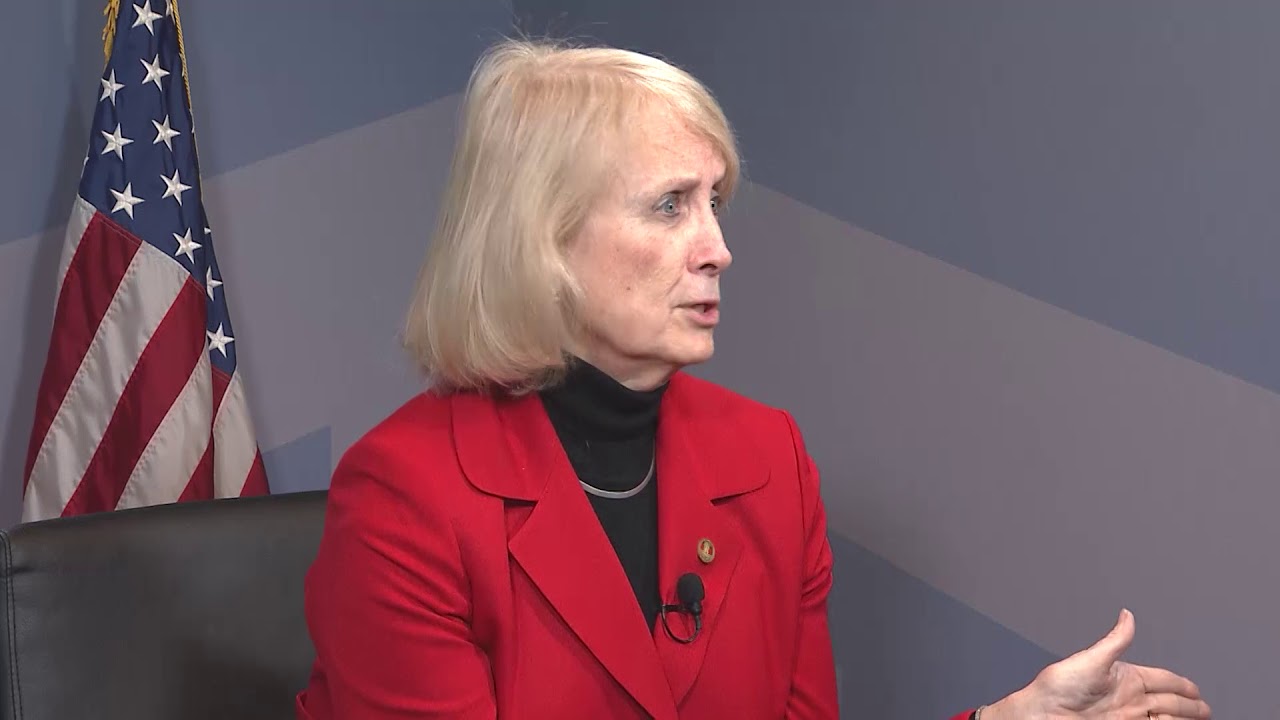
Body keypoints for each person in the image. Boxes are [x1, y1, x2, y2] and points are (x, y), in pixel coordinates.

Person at [294, 38, 1212, 720]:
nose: (719, 249)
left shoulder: (767, 456)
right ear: (543, 243)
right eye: (670, 206)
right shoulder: (404, 499)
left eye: (715, 203)